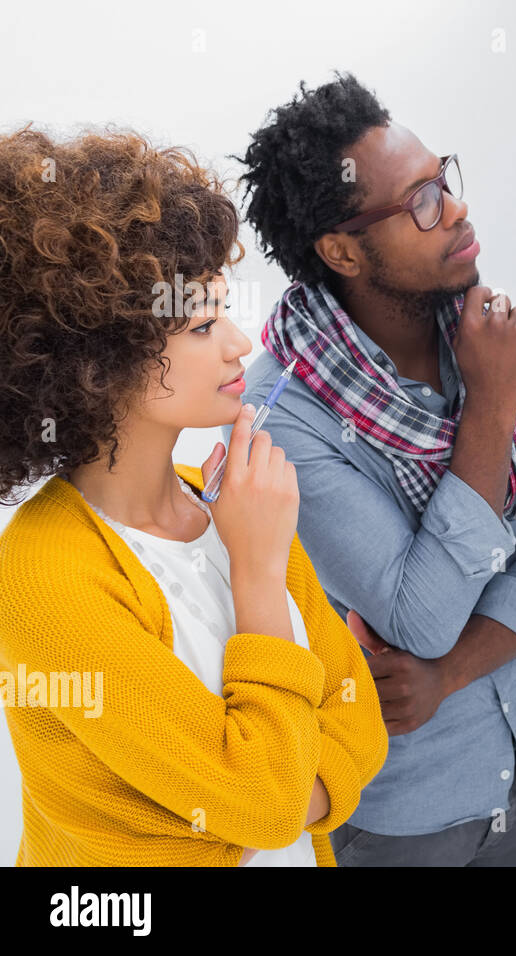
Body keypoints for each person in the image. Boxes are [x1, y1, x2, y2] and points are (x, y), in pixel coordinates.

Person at [232, 73, 516, 866]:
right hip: (402, 815)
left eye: (445, 180)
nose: (456, 209)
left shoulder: (498, 342)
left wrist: (450, 673)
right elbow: (418, 617)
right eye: (420, 202)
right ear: (341, 250)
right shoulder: (285, 421)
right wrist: (492, 411)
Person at [0, 125, 387, 866]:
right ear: (101, 359)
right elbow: (268, 802)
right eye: (204, 323)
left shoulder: (226, 501)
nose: (241, 343)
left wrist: (275, 801)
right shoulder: (41, 572)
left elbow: (359, 718)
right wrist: (257, 573)